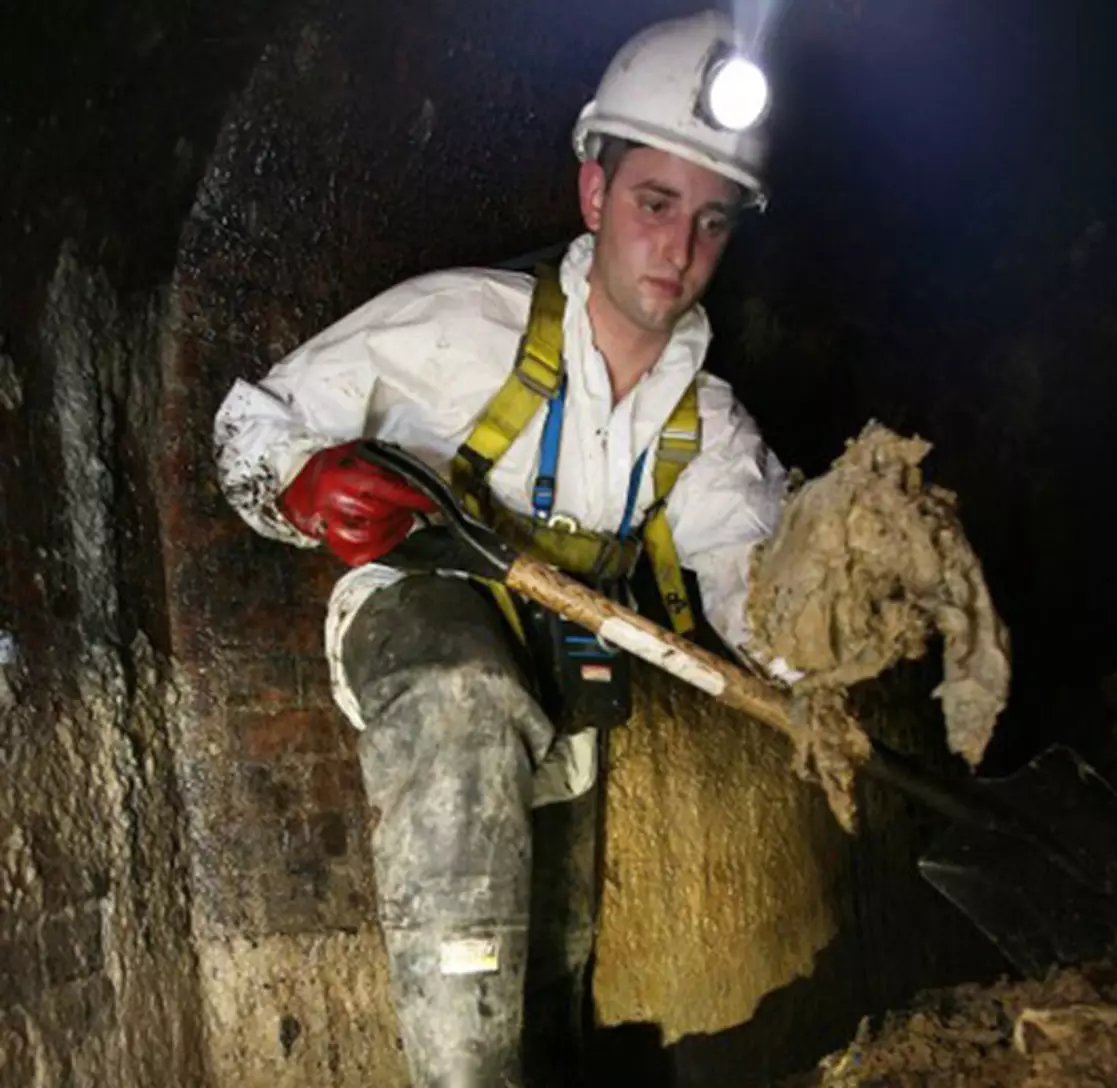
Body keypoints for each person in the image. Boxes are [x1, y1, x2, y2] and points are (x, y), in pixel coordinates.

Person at [214, 9, 789, 1086]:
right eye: (655, 202)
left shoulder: (710, 430)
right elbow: (253, 425)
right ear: (594, 193)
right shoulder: (460, 326)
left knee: (548, 952)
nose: (676, 248)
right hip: (418, 617)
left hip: (562, 669)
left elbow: (761, 594)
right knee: (465, 696)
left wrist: (833, 636)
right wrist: (303, 481)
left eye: (710, 221)